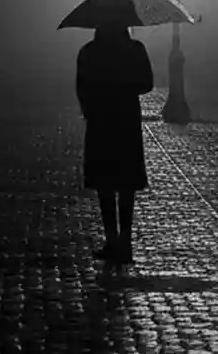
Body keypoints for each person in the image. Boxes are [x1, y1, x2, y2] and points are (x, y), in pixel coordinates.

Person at [76, 22, 153, 263]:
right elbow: (147, 84)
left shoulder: (88, 52)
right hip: (127, 121)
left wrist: (89, 109)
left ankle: (111, 240)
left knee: (105, 185)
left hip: (100, 121)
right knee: (127, 185)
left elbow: (81, 87)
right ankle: (125, 241)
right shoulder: (135, 49)